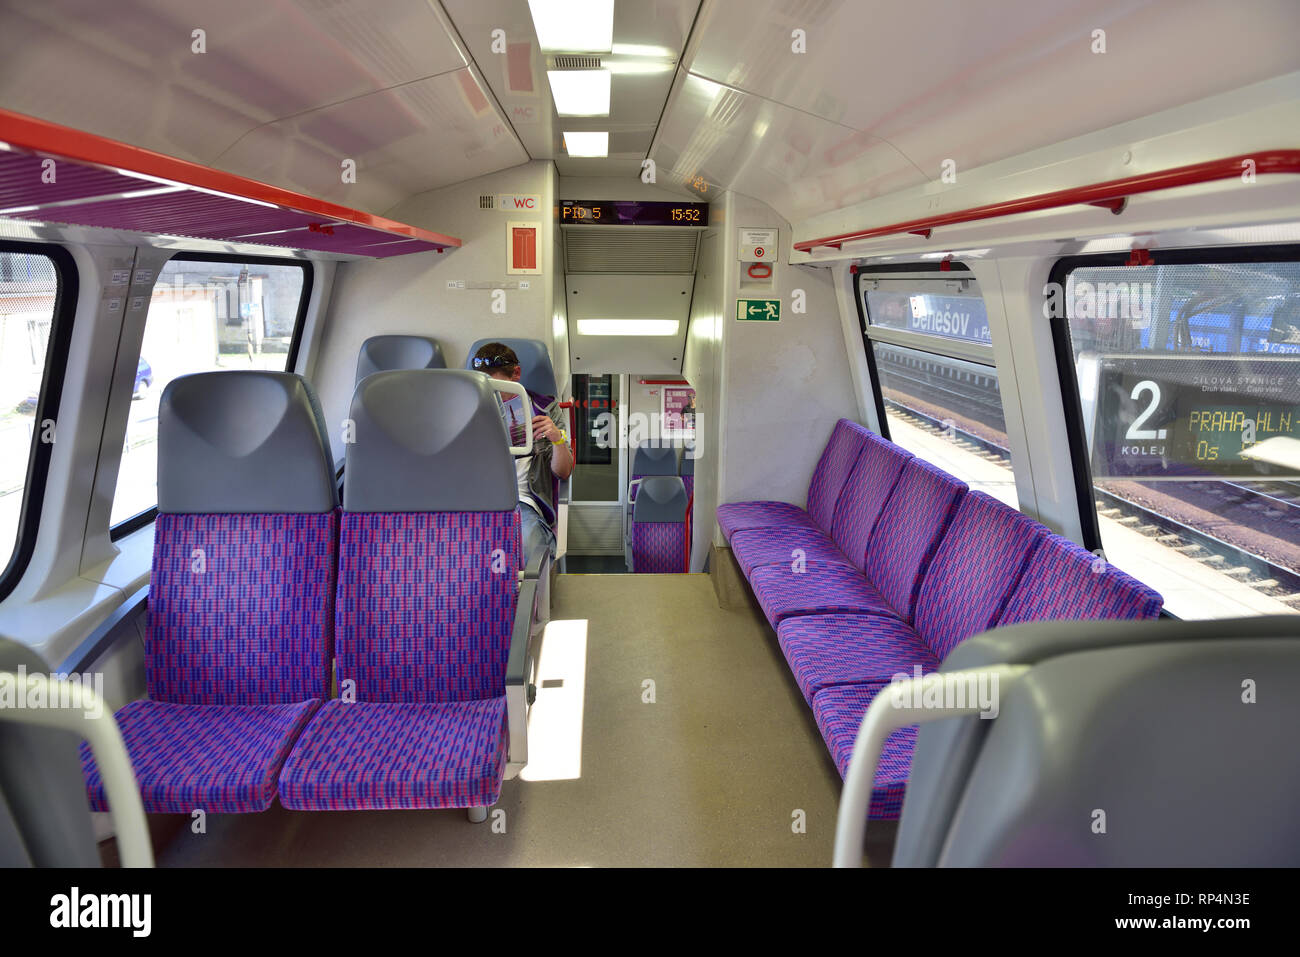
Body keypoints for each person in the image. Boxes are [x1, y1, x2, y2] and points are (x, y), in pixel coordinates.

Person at [472, 342, 574, 568]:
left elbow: (564, 471)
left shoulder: (546, 408)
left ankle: (530, 602)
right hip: (477, 498)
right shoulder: (467, 409)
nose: (492, 394)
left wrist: (556, 439)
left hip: (523, 499)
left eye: (496, 385)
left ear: (516, 373)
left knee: (529, 544)